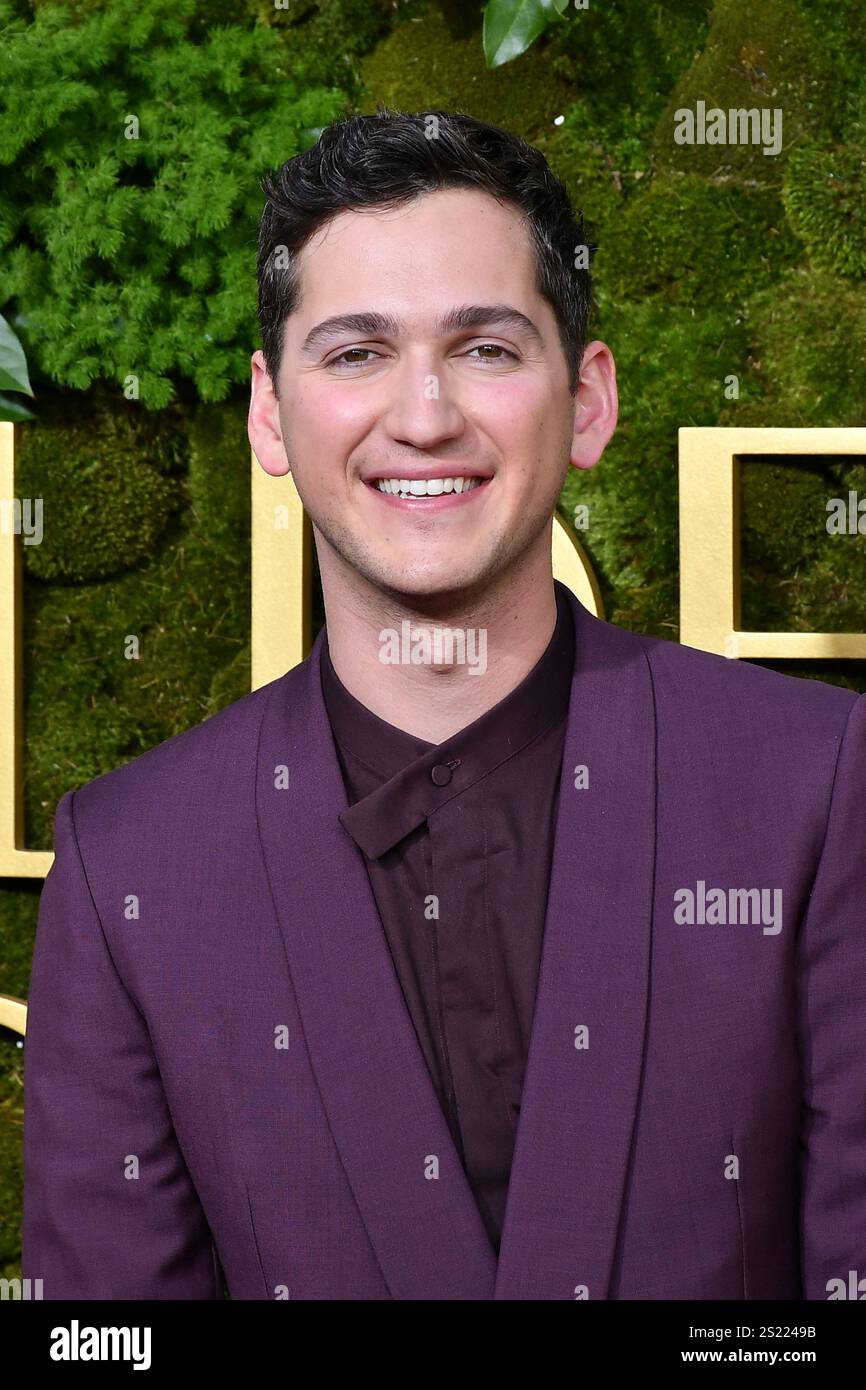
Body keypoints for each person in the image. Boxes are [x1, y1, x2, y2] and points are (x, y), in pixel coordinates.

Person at [23, 109, 866, 1300]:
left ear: (585, 399)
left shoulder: (813, 786)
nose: (423, 416)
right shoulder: (129, 865)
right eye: (356, 352)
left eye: (484, 348)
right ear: (270, 413)